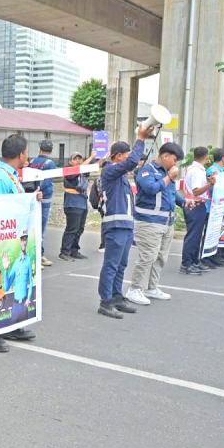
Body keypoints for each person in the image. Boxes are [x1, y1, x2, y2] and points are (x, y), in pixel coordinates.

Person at [0, 134, 42, 351]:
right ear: (20, 154)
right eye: (26, 152)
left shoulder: (11, 176)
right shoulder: (0, 179)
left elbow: (16, 206)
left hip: (13, 239)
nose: (27, 156)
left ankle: (10, 327)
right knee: (0, 287)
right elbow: (0, 213)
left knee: (15, 287)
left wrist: (32, 199)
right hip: (2, 243)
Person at [125, 142, 192, 306]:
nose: (175, 164)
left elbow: (171, 193)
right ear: (165, 156)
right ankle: (134, 289)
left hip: (167, 222)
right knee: (148, 256)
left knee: (161, 257)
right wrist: (169, 178)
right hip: (149, 222)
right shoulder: (147, 171)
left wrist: (184, 202)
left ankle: (152, 287)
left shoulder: (167, 173)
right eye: (174, 160)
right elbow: (151, 189)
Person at [96, 132, 151, 319]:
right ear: (118, 156)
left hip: (126, 226)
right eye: (127, 155)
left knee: (121, 265)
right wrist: (141, 138)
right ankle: (105, 301)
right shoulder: (110, 170)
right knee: (111, 265)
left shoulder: (122, 176)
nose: (130, 159)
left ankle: (116, 296)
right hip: (116, 226)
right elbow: (132, 162)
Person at [180, 147, 215, 274]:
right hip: (195, 204)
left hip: (197, 204)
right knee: (193, 236)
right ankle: (187, 264)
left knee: (196, 236)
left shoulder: (196, 169)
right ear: (206, 157)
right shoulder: (196, 171)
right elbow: (196, 191)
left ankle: (194, 261)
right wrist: (209, 184)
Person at [24, 140, 57, 267]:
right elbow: (48, 182)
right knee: (40, 229)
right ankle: (38, 256)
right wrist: (41, 190)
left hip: (32, 197)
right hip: (44, 198)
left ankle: (37, 254)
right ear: (51, 150)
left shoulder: (32, 162)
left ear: (40, 149)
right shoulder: (50, 163)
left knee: (32, 226)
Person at [59, 151, 94, 261]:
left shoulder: (83, 171)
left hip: (82, 202)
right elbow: (78, 169)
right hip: (72, 202)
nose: (78, 161)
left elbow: (96, 166)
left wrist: (102, 156)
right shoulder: (68, 170)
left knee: (80, 229)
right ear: (70, 161)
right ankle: (64, 252)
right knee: (72, 228)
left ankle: (74, 250)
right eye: (75, 159)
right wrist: (91, 156)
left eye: (80, 159)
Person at [202, 149, 224, 268]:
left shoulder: (223, 170)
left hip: (219, 207)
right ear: (223, 158)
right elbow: (212, 188)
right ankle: (205, 258)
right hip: (211, 207)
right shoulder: (212, 170)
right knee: (209, 233)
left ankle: (213, 255)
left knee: (216, 233)